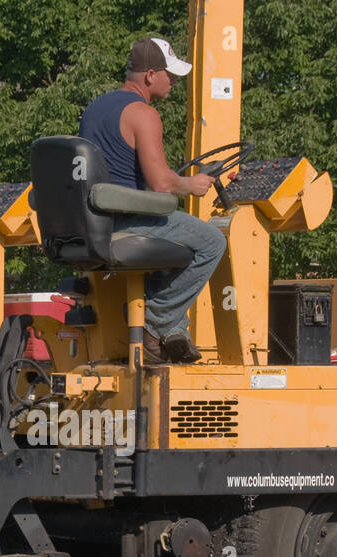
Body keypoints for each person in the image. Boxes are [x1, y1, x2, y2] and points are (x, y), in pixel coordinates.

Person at [79, 37, 228, 365]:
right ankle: (157, 322)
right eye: (169, 75)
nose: (174, 81)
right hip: (125, 220)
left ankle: (173, 329)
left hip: (94, 221)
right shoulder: (143, 114)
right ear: (149, 75)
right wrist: (191, 184)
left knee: (179, 241)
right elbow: (160, 183)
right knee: (212, 242)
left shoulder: (95, 108)